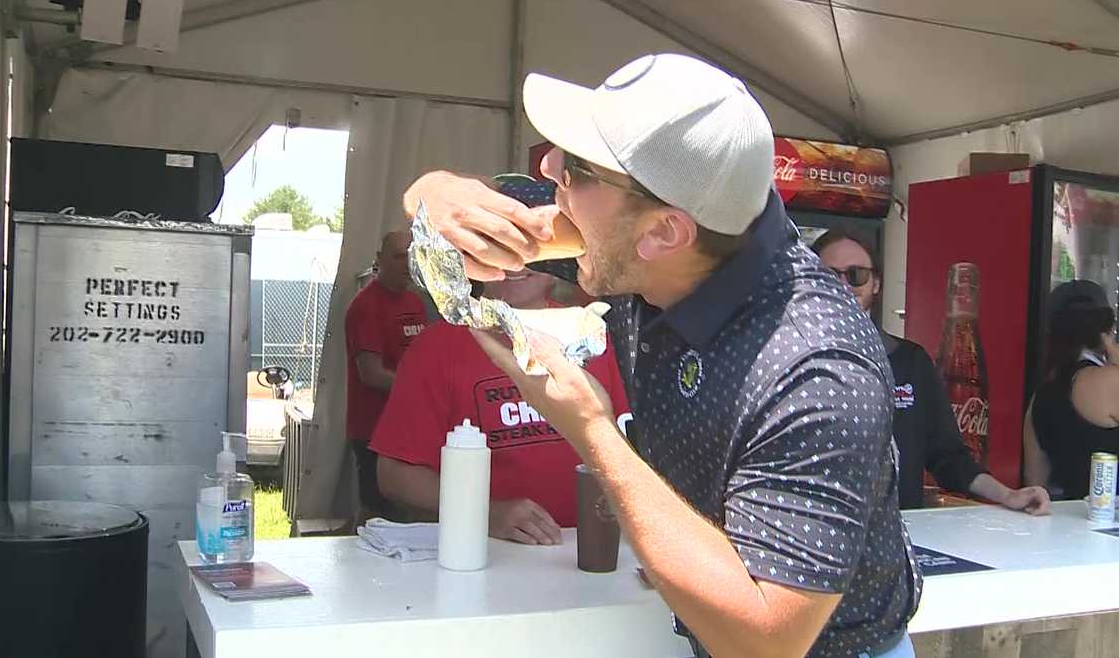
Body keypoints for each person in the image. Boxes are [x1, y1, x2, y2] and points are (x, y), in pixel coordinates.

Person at [401, 54, 920, 658]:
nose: (549, 169)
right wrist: (436, 195)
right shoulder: (664, 244)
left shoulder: (817, 370)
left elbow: (768, 641)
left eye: (577, 169)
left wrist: (591, 430)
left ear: (665, 232)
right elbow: (459, 208)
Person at [370, 266, 632, 545]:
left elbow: (626, 448)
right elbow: (394, 475)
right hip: (488, 554)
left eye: (534, 252)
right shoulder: (435, 347)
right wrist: (485, 512)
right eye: (502, 250)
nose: (517, 265)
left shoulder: (590, 333)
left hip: (594, 550)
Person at [813, 230, 1051, 513]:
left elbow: (949, 458)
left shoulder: (910, 362)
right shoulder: (789, 362)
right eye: (830, 275)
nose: (843, 284)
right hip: (814, 526)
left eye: (856, 275)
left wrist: (1009, 495)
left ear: (876, 283)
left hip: (896, 529)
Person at [1024, 280, 1119, 499]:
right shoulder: (1109, 382)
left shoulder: (1040, 397)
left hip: (1071, 517)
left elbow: (1034, 483)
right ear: (1106, 331)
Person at [344, 230, 428, 519]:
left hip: (407, 425)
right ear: (380, 259)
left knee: (407, 507)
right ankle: (359, 547)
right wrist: (420, 391)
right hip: (373, 427)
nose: (406, 264)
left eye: (411, 257)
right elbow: (371, 373)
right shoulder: (366, 306)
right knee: (375, 510)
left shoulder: (415, 302)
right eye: (398, 257)